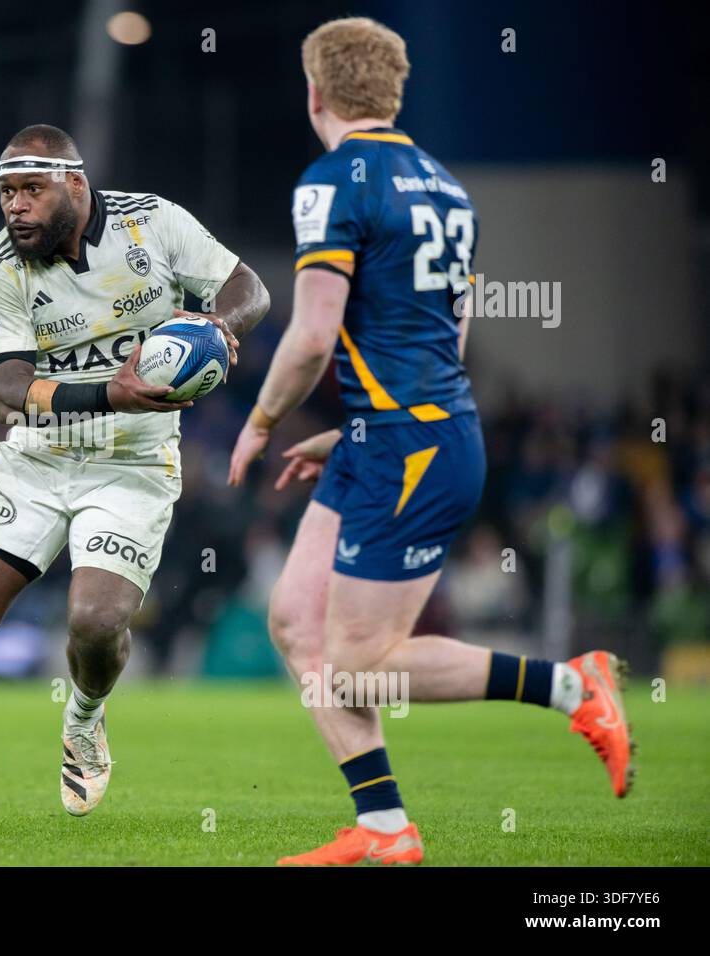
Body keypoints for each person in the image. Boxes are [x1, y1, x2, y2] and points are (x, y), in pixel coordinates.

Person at [228, 18, 634, 866]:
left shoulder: (332, 181)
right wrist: (349, 428)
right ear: (393, 92)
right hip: (399, 434)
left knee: (353, 664)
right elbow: (442, 342)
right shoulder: (447, 187)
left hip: (410, 448)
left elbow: (310, 338)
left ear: (316, 94)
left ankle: (571, 684)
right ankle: (384, 829)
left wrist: (263, 422)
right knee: (298, 623)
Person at [0, 124, 269, 830]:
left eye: (31, 189)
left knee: (95, 624)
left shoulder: (152, 223)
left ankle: (86, 717)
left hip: (133, 461)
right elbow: (7, 390)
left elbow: (249, 285)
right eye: (6, 192)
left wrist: (218, 324)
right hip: (37, 456)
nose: (16, 207)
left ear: (74, 183)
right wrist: (109, 393)